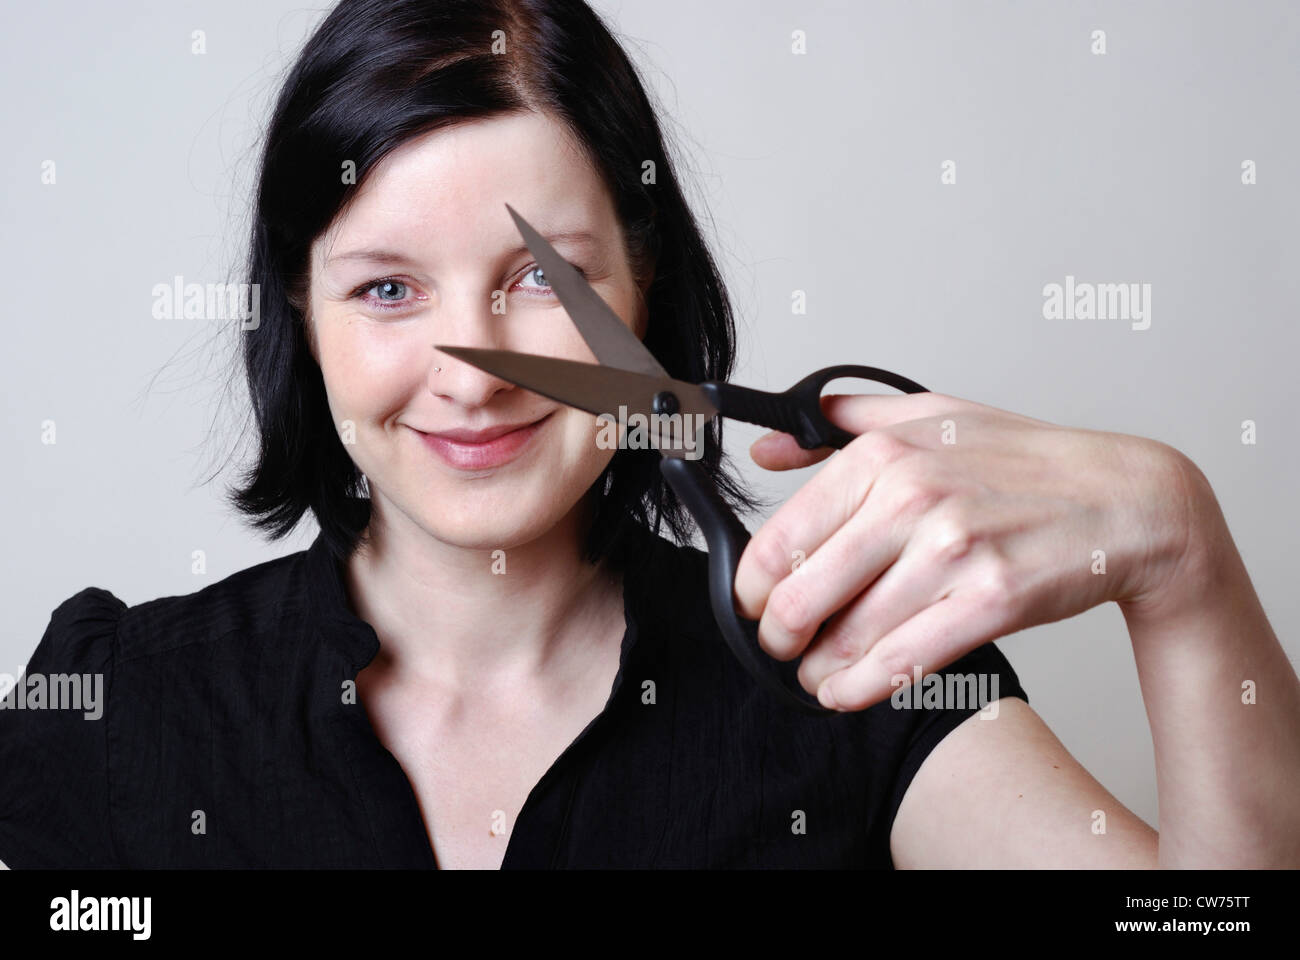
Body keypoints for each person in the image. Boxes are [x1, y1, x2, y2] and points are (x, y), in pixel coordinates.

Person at [2, 0, 1297, 870]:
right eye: (387, 288)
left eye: (543, 280)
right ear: (302, 310)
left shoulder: (861, 686)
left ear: (643, 290)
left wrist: (1185, 562)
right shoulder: (121, 701)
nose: (473, 374)